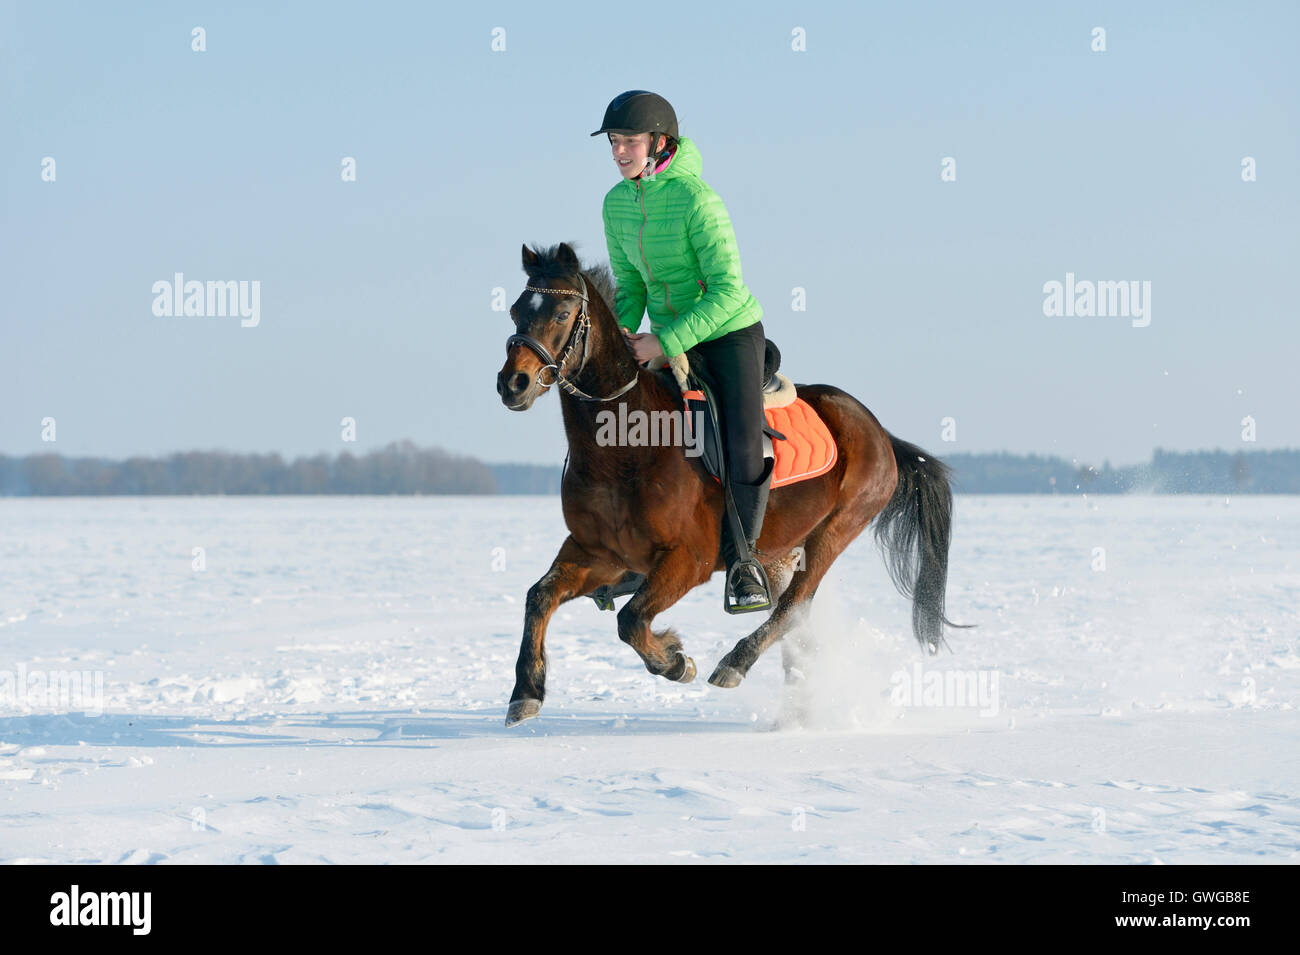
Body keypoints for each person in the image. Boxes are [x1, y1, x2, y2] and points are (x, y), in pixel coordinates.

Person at [592, 90, 773, 612]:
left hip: (728, 332)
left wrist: (664, 341)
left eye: (629, 141)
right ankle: (635, 553)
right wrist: (618, 338)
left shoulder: (698, 199)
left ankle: (745, 563)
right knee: (626, 424)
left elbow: (729, 290)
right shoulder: (615, 203)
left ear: (659, 143)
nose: (619, 151)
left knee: (739, 438)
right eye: (614, 142)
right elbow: (630, 288)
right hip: (662, 337)